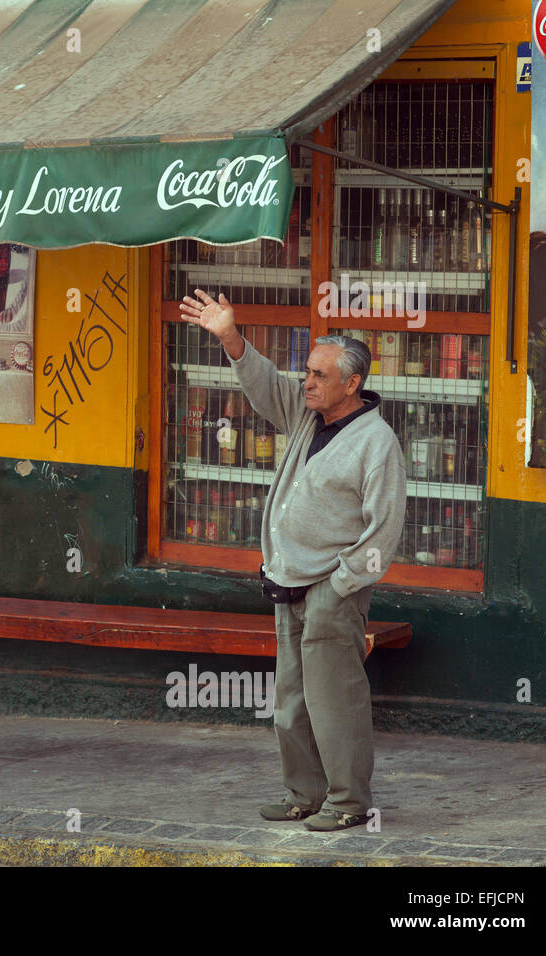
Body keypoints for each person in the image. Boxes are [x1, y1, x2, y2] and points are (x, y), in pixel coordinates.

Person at [177, 289, 407, 832]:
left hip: (333, 588)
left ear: (352, 384)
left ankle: (349, 804)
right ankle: (304, 793)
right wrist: (230, 335)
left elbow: (385, 530)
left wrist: (345, 582)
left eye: (319, 374)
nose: (306, 381)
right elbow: (262, 385)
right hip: (287, 580)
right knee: (291, 703)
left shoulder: (377, 443)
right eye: (307, 371)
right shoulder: (305, 414)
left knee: (336, 703)